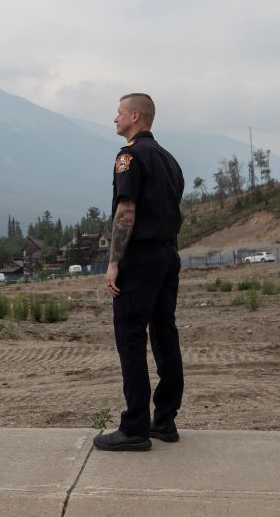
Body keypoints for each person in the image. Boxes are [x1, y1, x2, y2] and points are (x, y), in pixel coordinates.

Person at [93, 93, 185, 452]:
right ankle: (165, 418)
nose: (114, 118)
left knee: (131, 337)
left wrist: (114, 262)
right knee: (165, 334)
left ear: (135, 116)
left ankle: (134, 426)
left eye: (118, 112)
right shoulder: (169, 159)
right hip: (168, 255)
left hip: (142, 258)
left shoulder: (129, 156)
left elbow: (126, 210)